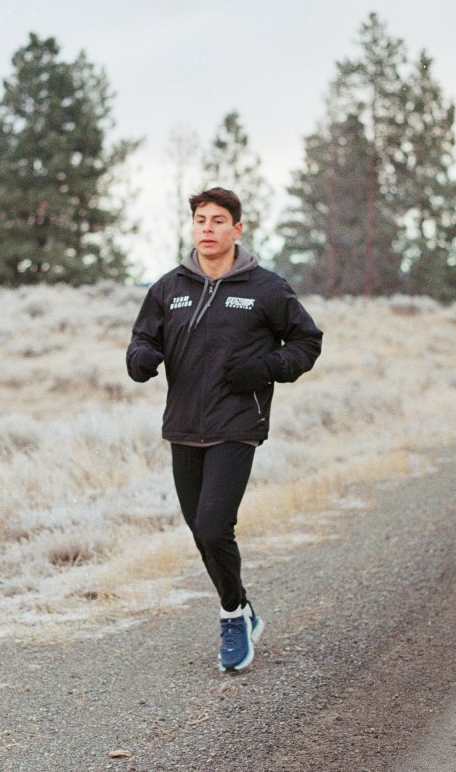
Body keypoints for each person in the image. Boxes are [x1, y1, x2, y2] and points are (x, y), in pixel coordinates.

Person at [126, 186, 323, 672]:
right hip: (184, 425)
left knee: (215, 525)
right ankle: (242, 604)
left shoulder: (266, 289)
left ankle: (232, 615)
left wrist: (267, 367)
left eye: (218, 221)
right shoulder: (169, 288)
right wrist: (142, 360)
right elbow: (139, 341)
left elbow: (307, 342)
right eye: (200, 220)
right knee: (201, 531)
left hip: (237, 423)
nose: (207, 229)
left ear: (237, 229)